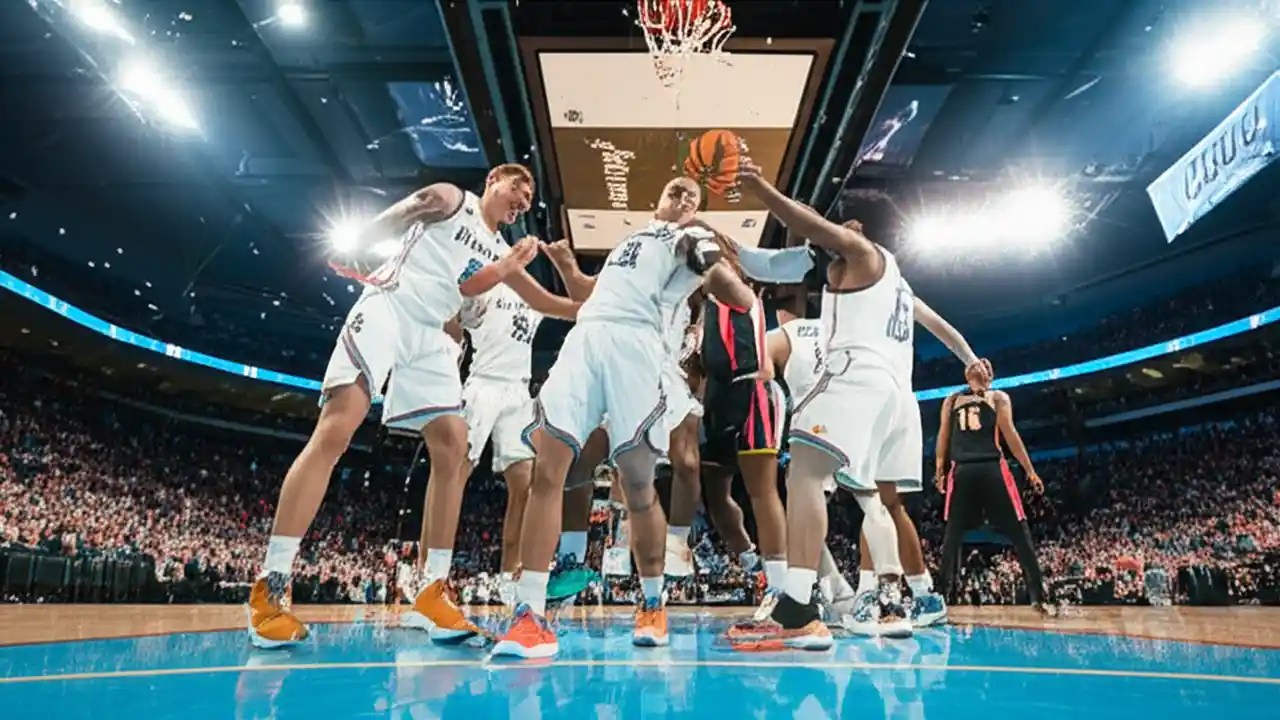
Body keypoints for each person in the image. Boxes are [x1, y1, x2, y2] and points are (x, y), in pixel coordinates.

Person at [246, 164, 579, 648]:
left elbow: (536, 299)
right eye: (517, 188)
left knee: (453, 444)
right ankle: (270, 588)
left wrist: (605, 311)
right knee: (336, 430)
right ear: (492, 181)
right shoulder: (454, 199)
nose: (523, 201)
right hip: (390, 305)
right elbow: (416, 205)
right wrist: (363, 239)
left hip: (431, 334)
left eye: (529, 199)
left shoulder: (501, 250)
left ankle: (431, 592)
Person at [489, 177, 756, 658]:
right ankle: (530, 614)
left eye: (692, 197)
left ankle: (653, 601)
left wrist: (712, 261)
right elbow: (589, 296)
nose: (682, 198)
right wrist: (566, 265)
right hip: (587, 338)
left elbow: (742, 298)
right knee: (549, 469)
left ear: (697, 210)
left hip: (639, 347)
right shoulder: (628, 243)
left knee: (637, 483)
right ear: (658, 199)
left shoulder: (691, 239)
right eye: (675, 191)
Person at [736, 159, 988, 649]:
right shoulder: (900, 286)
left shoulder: (865, 253)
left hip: (856, 377)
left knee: (804, 475)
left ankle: (799, 604)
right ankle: (888, 603)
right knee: (877, 500)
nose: (839, 229)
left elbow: (812, 227)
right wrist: (971, 361)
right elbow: (943, 328)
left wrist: (760, 188)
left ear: (862, 228)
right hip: (897, 401)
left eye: (845, 224)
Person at [540, 241, 711, 582]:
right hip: (622, 366)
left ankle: (676, 544)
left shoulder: (692, 287)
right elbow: (584, 298)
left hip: (667, 373)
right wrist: (567, 266)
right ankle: (572, 557)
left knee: (688, 460)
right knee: (580, 461)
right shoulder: (624, 273)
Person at [442, 281, 542, 611]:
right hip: (483, 385)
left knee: (525, 486)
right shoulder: (486, 286)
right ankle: (433, 576)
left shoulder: (534, 291)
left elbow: (568, 304)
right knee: (454, 474)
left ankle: (510, 577)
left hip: (519, 392)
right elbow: (454, 320)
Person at [935, 361, 1049, 611]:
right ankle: (942, 597)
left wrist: (1029, 470)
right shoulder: (951, 400)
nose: (979, 364)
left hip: (992, 466)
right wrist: (939, 469)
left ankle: (1038, 595)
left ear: (990, 375)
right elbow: (944, 435)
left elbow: (1010, 434)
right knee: (952, 534)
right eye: (976, 362)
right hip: (961, 468)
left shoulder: (998, 397)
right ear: (966, 373)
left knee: (1019, 529)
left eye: (985, 365)